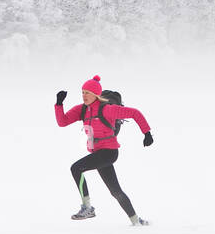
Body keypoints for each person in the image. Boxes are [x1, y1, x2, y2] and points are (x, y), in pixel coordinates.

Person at [54, 75, 154, 225]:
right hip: (98, 153)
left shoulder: (107, 109)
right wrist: (59, 104)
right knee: (115, 191)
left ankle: (87, 207)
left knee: (76, 168)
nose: (84, 96)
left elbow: (135, 113)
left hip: (109, 152)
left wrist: (147, 133)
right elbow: (63, 122)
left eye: (87, 92)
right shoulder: (82, 110)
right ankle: (136, 221)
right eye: (82, 92)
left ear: (96, 95)